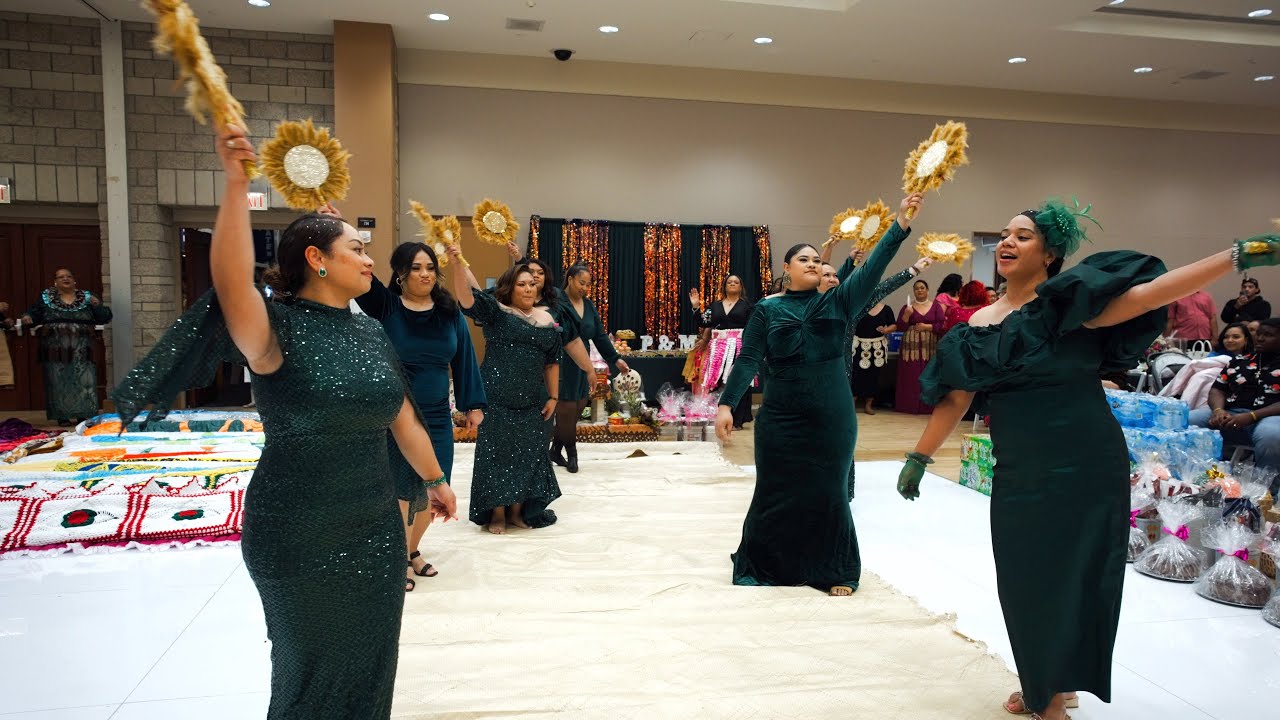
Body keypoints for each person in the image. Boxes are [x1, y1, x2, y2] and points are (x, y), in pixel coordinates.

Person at [110, 122, 458, 719]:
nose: (371, 258)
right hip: (298, 531)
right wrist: (234, 182)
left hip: (374, 526)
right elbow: (229, 282)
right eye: (358, 248)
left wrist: (434, 480)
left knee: (370, 660)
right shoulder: (275, 330)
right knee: (310, 665)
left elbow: (401, 415)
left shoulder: (370, 330)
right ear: (317, 260)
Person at [896, 198, 1275, 720]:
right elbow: (955, 397)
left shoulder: (1069, 305)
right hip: (1020, 466)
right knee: (1025, 577)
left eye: (1023, 235)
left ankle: (1049, 693)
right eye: (1004, 234)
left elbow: (1152, 293)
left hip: (1084, 458)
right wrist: (919, 456)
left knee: (1073, 576)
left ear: (1051, 253)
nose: (1007, 242)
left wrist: (1237, 256)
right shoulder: (976, 323)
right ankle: (1048, 678)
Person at [714, 192, 925, 596]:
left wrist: (898, 226)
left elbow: (875, 266)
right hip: (780, 418)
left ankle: (834, 569)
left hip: (831, 416)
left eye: (817, 259)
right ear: (787, 269)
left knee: (828, 491)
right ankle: (768, 563)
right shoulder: (767, 310)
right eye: (804, 260)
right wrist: (727, 404)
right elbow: (748, 360)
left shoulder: (840, 301)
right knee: (775, 491)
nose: (813, 264)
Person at [355, 241, 486, 587]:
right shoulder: (384, 305)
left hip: (438, 417)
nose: (425, 273)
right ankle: (397, 558)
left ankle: (412, 550)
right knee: (399, 491)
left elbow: (464, 359)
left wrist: (473, 405)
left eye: (430, 266)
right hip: (394, 416)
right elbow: (358, 272)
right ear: (400, 274)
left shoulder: (447, 310)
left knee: (434, 489)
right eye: (416, 267)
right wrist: (342, 235)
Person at [450, 244, 564, 534]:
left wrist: (554, 396)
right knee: (496, 455)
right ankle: (497, 514)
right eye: (521, 284)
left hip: (533, 401)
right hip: (496, 398)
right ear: (510, 289)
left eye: (532, 284)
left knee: (526, 455)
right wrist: (457, 262)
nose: (528, 289)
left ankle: (516, 512)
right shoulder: (497, 314)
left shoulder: (547, 320)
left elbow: (553, 362)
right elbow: (466, 297)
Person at [550, 264, 629, 473]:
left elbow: (600, 336)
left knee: (577, 408)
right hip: (561, 359)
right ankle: (572, 454)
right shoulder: (556, 300)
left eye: (588, 284)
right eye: (581, 283)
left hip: (582, 362)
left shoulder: (588, 305)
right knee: (566, 408)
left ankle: (555, 449)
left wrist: (616, 359)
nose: (584, 288)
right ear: (570, 279)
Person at [1190, 318, 1280, 496]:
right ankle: (1193, 482)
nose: (1260, 338)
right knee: (1189, 421)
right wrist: (1217, 410)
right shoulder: (1239, 361)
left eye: (1268, 335)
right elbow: (1217, 389)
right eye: (1259, 334)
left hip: (1269, 416)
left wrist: (1251, 416)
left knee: (1272, 436)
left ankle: (1266, 495)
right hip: (1230, 413)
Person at [19, 268, 113, 426]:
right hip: (55, 348)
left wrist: (97, 306)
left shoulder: (88, 297)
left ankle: (84, 414)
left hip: (82, 347)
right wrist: (27, 317)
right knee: (58, 379)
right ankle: (62, 415)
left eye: (69, 276)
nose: (65, 279)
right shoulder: (46, 298)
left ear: (74, 280)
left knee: (85, 379)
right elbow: (34, 314)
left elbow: (105, 317)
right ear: (55, 282)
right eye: (61, 277)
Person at [690, 274, 756, 428]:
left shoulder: (747, 306)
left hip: (739, 346)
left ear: (741, 287)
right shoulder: (715, 306)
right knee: (717, 381)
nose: (732, 284)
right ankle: (717, 416)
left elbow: (753, 327)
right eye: (729, 282)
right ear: (725, 286)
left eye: (736, 282)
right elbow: (703, 322)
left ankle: (737, 419)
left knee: (738, 379)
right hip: (718, 348)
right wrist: (695, 306)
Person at [895, 278, 945, 414]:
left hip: (930, 347)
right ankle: (909, 405)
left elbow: (942, 325)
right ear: (914, 291)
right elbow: (900, 326)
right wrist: (906, 315)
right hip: (911, 349)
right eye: (916, 288)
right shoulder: (907, 307)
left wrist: (927, 327)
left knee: (929, 375)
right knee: (911, 375)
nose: (919, 290)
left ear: (927, 290)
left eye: (922, 287)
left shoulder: (936, 306)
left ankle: (928, 406)